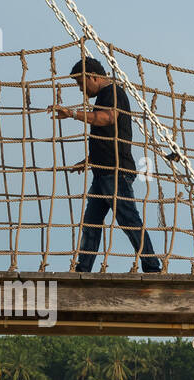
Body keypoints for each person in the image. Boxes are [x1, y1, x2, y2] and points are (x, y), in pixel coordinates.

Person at [51, 58, 162, 274]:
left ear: (93, 76)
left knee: (128, 218)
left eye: (82, 83)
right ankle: (83, 269)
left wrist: (72, 114)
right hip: (103, 172)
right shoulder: (104, 95)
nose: (81, 89)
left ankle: (152, 267)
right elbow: (109, 136)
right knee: (92, 221)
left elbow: (108, 118)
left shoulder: (113, 91)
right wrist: (89, 160)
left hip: (116, 171)